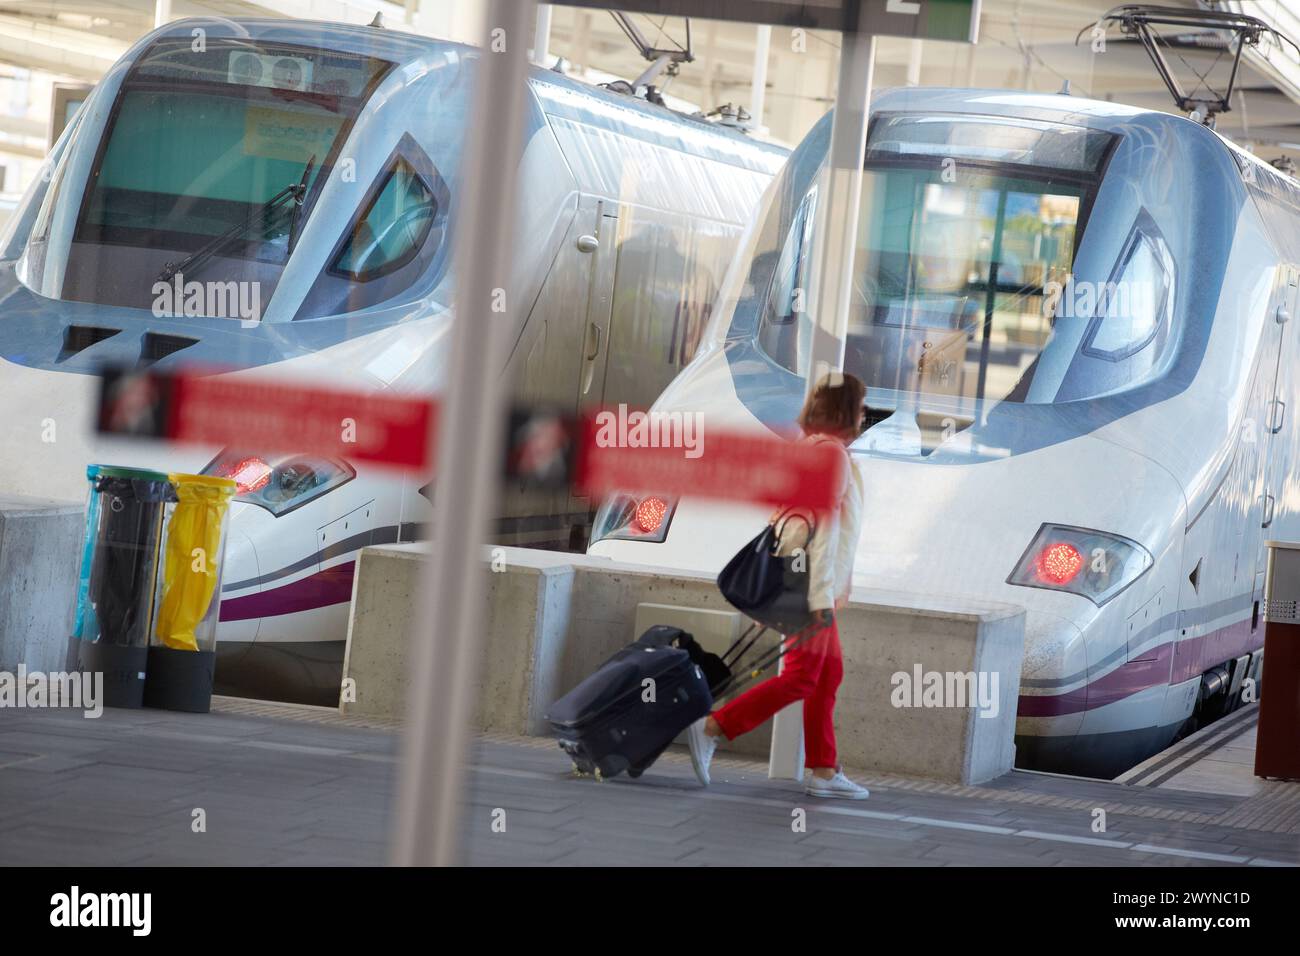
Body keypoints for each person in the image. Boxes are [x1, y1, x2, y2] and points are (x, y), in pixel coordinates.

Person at [687, 371, 869, 799]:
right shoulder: (831, 455)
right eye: (860, 406)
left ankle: (824, 770)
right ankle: (714, 726)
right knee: (804, 677)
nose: (864, 414)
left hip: (806, 584)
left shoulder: (812, 448)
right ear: (844, 410)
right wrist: (820, 598)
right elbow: (823, 532)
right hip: (810, 589)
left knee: (828, 674)